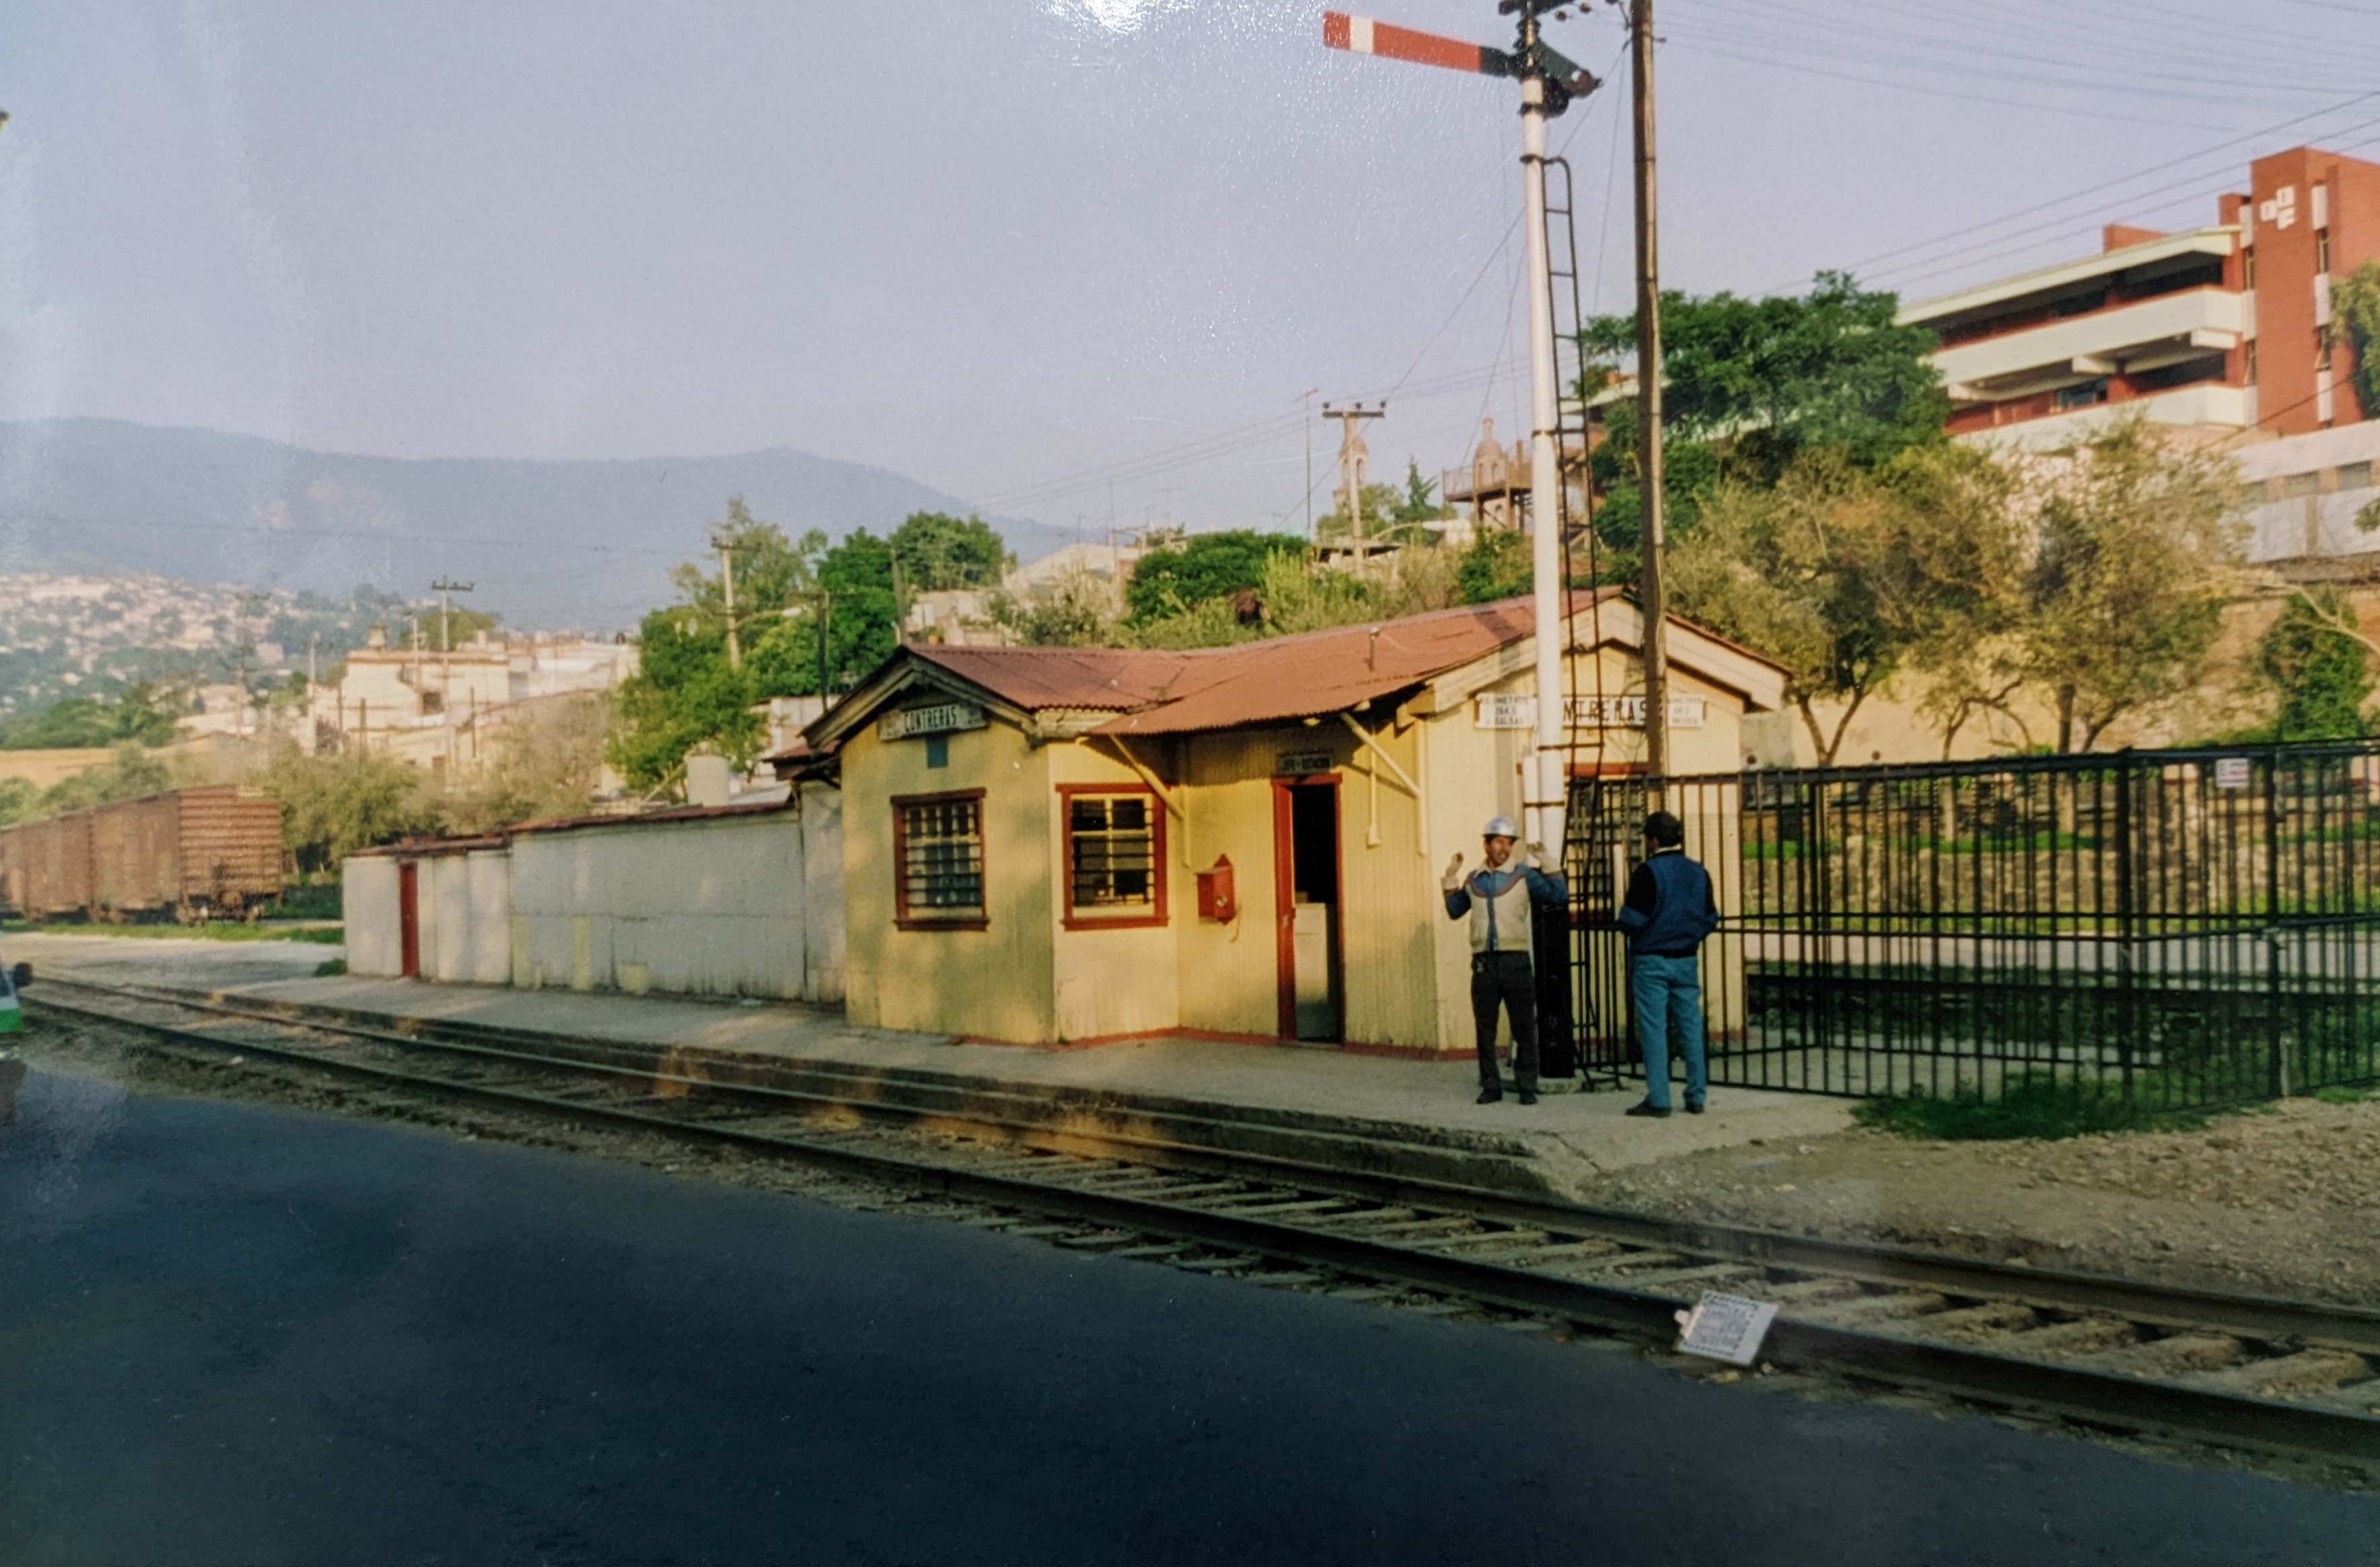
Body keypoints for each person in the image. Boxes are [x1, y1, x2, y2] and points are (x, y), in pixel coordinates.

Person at [1442, 815, 1568, 1106]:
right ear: (1486, 843)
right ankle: (1490, 1086)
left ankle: (1526, 1086)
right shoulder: (1474, 879)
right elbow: (1454, 909)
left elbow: (1559, 895)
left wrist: (1548, 862)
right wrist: (1450, 876)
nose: (1504, 848)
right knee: (1485, 1028)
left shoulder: (1524, 875)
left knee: (1523, 1026)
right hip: (1484, 962)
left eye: (1509, 843)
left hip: (1516, 960)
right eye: (1499, 842)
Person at [1616, 809, 1721, 1118]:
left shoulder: (1647, 873)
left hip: (1652, 960)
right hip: (1686, 958)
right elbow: (1711, 918)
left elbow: (1632, 920)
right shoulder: (1699, 872)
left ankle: (1660, 1099)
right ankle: (1696, 1095)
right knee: (1691, 1026)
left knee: (1654, 1029)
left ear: (1653, 840)